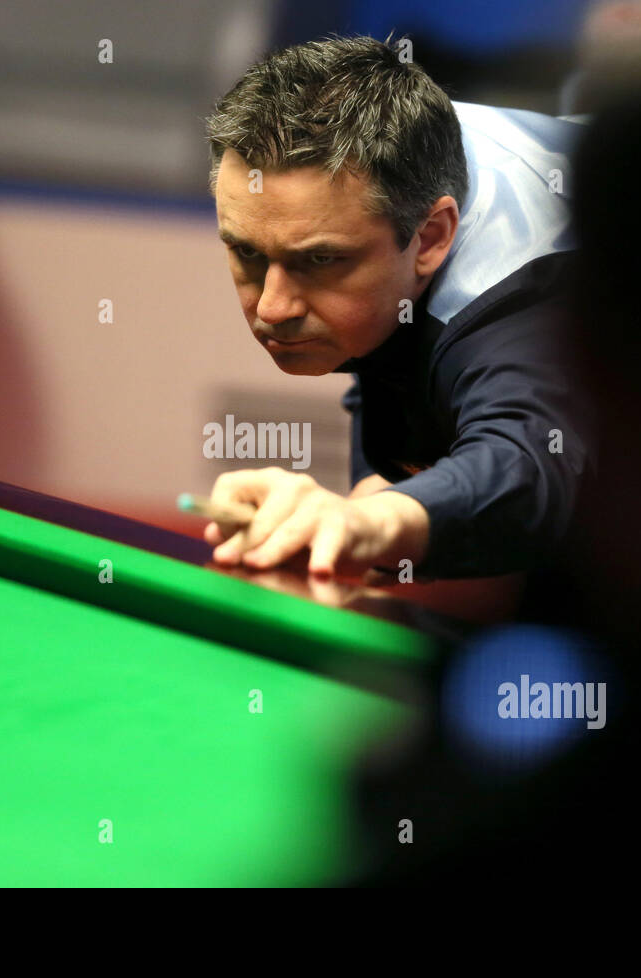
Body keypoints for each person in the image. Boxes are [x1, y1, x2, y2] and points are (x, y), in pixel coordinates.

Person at [202, 34, 590, 581]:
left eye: (320, 259)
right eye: (246, 252)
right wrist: (357, 512)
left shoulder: (515, 293)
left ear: (432, 236)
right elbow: (393, 357)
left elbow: (529, 460)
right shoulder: (401, 147)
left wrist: (376, 521)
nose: (273, 306)